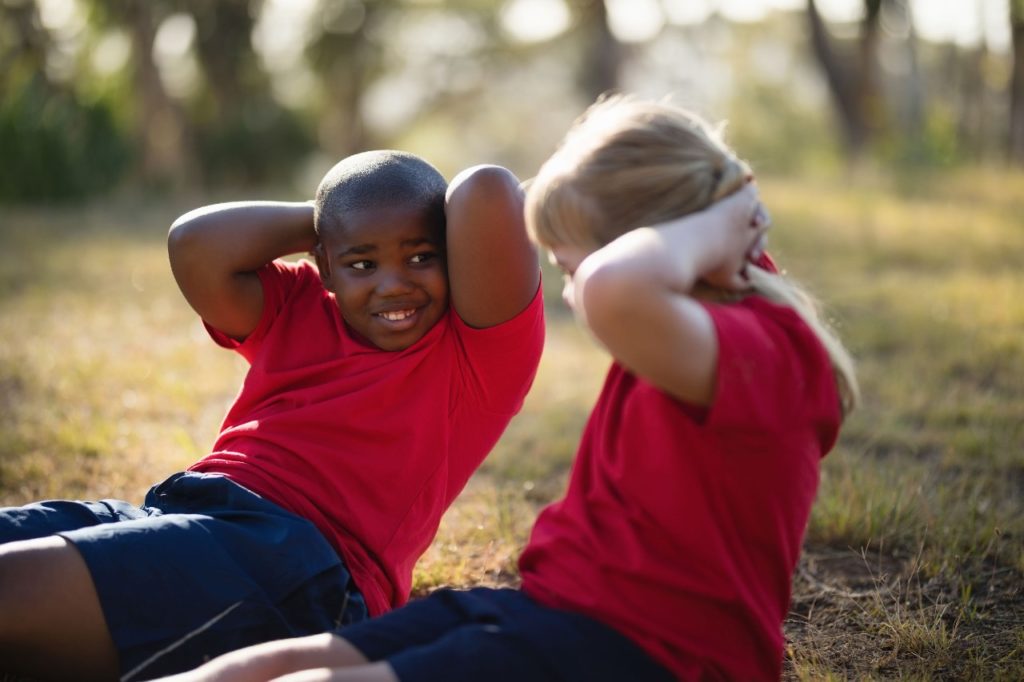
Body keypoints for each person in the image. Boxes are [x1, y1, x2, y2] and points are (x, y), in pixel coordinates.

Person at [154, 96, 859, 682]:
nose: (571, 284)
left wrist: (713, 215)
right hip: (557, 609)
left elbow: (614, 291)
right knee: (255, 670)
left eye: (573, 259)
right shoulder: (707, 322)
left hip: (652, 655)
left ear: (665, 241)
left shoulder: (768, 352)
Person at [0, 151, 544, 681]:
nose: (393, 283)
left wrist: (363, 220)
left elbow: (487, 190)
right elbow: (193, 245)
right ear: (324, 265)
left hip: (294, 563)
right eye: (362, 263)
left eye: (421, 255)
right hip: (173, 511)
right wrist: (333, 215)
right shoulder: (303, 304)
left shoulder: (474, 360)